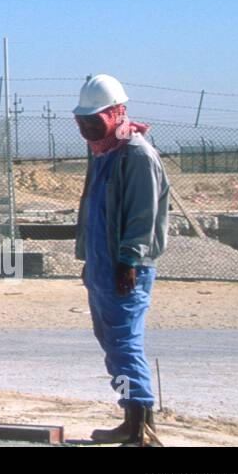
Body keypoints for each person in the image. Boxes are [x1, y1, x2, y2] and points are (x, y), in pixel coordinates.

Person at [73, 74, 169, 447]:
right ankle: (130, 418)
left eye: (93, 120)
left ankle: (142, 427)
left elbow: (142, 215)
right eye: (82, 121)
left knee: (125, 342)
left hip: (126, 268)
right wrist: (89, 258)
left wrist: (128, 259)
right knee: (112, 342)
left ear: (117, 113)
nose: (86, 128)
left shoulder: (137, 155)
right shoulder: (102, 152)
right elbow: (94, 211)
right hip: (101, 265)